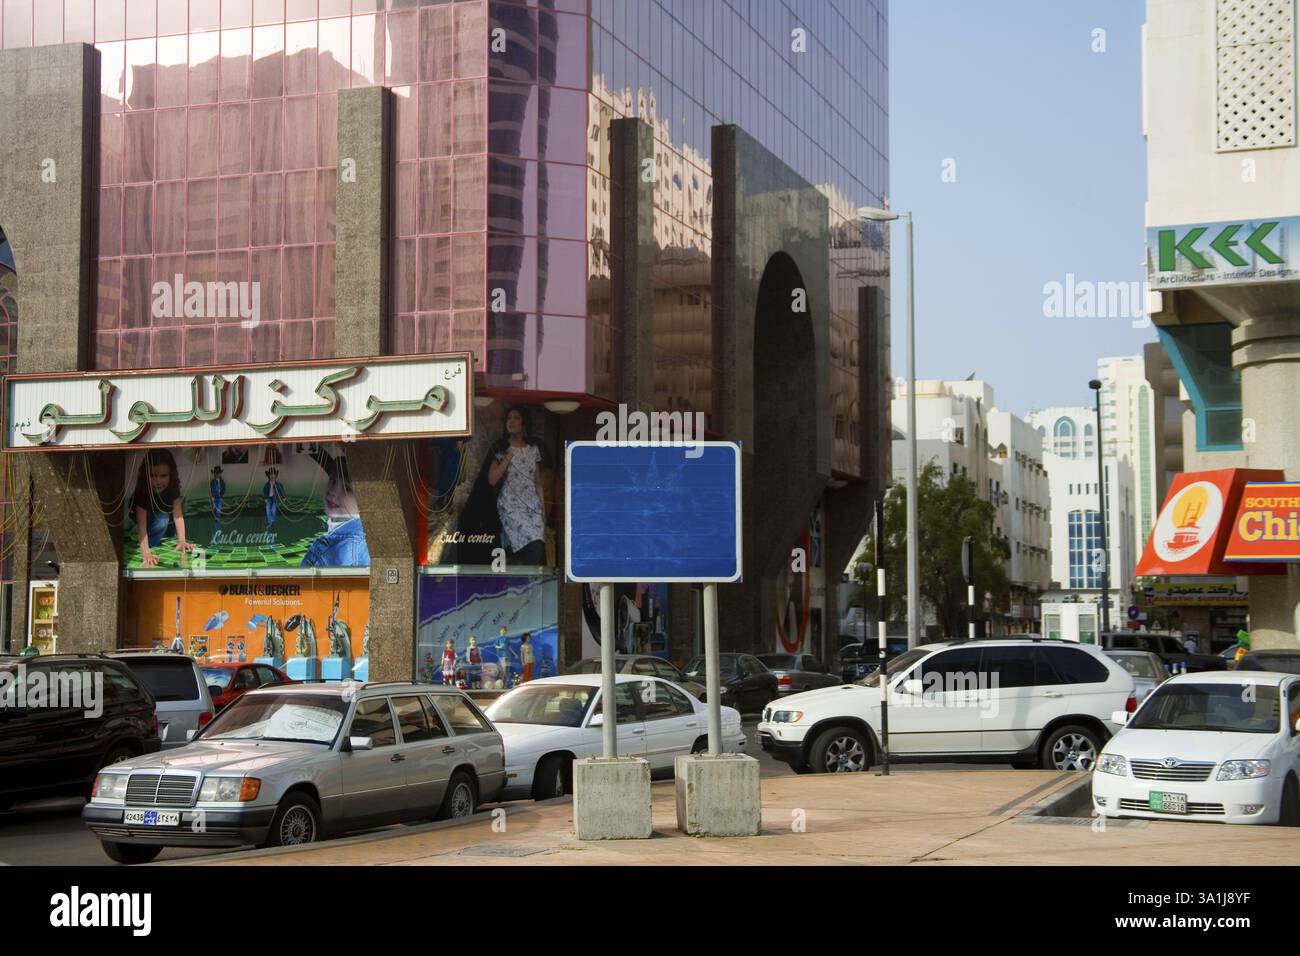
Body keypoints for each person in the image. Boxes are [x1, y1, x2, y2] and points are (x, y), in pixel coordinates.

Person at [487, 407, 548, 566]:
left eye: (516, 418)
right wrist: (507, 456)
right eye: (509, 418)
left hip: (532, 507)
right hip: (510, 505)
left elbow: (537, 482)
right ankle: (525, 583)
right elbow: (492, 479)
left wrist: (543, 512)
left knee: (538, 544)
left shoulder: (533, 450)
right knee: (529, 545)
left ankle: (529, 584)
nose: (511, 421)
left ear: (524, 423)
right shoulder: (501, 448)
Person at [301, 446, 370, 567]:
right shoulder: (353, 540)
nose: (333, 491)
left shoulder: (355, 545)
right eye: (332, 481)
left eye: (347, 489)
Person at [132, 449, 194, 568]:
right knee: (163, 520)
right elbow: (141, 527)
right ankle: (151, 541)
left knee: (181, 502)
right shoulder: (142, 492)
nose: (158, 481)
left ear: (171, 475)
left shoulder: (172, 488)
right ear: (146, 475)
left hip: (162, 512)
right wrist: (146, 553)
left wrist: (182, 541)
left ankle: (166, 533)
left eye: (163, 476)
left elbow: (178, 515)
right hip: (148, 520)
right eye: (153, 476)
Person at [209, 466, 226, 535]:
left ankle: (217, 521)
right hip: (214, 497)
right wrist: (212, 496)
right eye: (216, 473)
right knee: (215, 509)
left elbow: (224, 488)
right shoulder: (213, 481)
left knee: (218, 509)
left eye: (218, 473)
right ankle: (216, 521)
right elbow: (211, 489)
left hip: (219, 497)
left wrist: (222, 494)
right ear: (214, 474)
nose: (217, 475)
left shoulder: (222, 481)